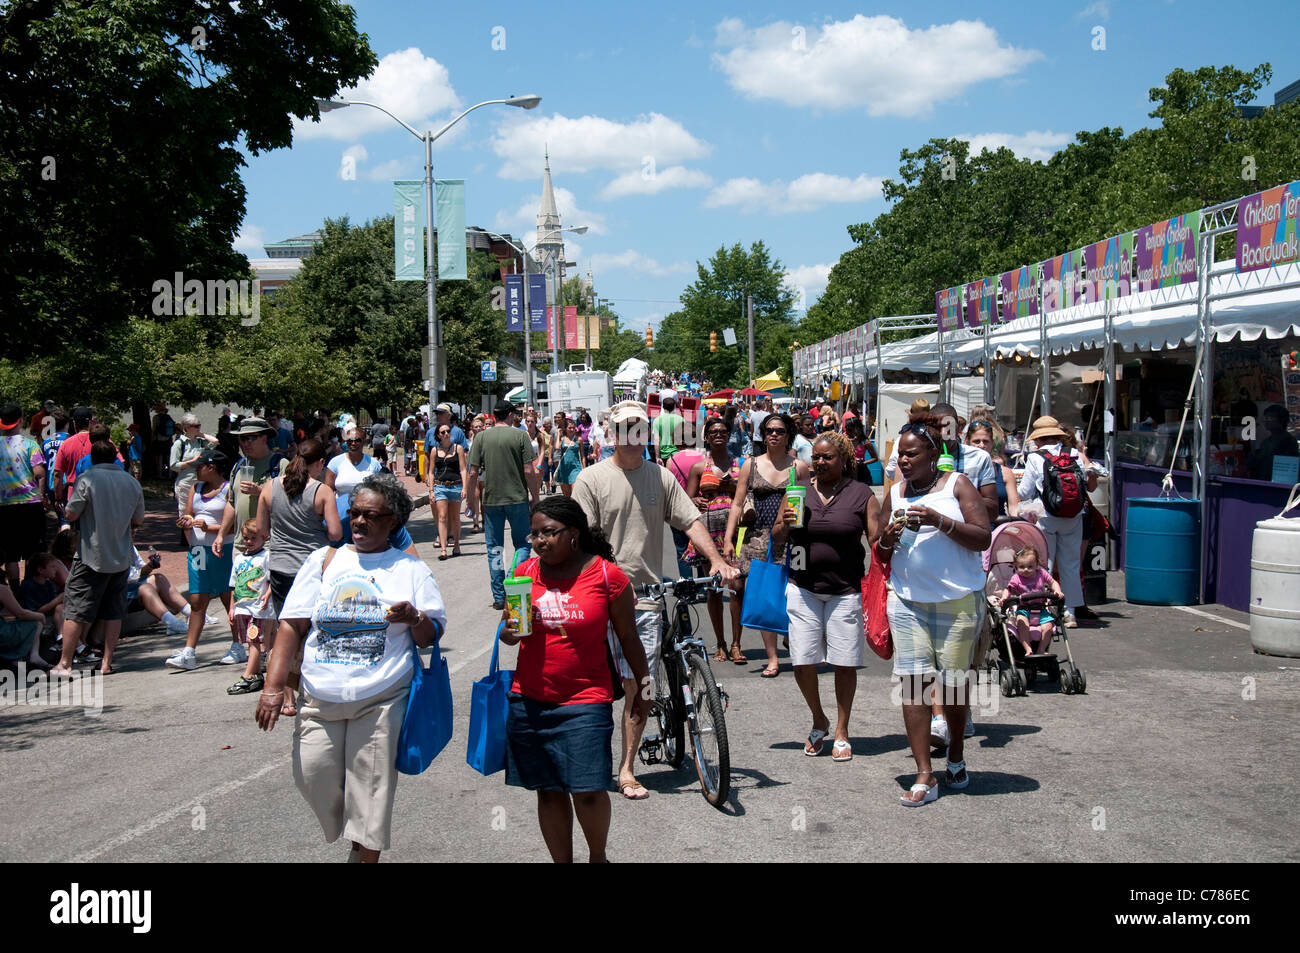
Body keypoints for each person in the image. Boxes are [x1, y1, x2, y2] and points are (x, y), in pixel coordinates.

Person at [256, 473, 446, 863]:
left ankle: (363, 849)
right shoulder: (324, 560)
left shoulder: (409, 569)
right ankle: (355, 829)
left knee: (371, 793)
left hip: (380, 699)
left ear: (392, 521)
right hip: (319, 699)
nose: (358, 522)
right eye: (355, 513)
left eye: (370, 516)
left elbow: (431, 634)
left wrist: (413, 618)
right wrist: (273, 686)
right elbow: (292, 624)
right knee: (313, 775)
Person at [571, 400, 738, 801]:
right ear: (612, 432)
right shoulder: (590, 480)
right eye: (626, 426)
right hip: (597, 598)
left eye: (640, 427)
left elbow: (690, 520)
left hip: (644, 601)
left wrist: (716, 560)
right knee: (592, 688)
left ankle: (626, 767)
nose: (633, 433)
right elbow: (578, 540)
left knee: (639, 687)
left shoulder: (660, 478)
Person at [499, 496, 651, 863]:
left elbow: (629, 637)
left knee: (588, 790)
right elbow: (507, 634)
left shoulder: (606, 576)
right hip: (530, 698)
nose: (539, 541)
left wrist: (644, 689)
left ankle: (597, 856)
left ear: (574, 534)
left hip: (586, 699)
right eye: (534, 534)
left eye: (549, 533)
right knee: (548, 791)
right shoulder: (523, 574)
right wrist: (511, 631)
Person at [877, 413, 991, 806]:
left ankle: (956, 755)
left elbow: (982, 538)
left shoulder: (957, 485)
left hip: (957, 602)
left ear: (932, 454)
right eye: (900, 455)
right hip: (907, 601)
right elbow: (879, 550)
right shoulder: (895, 493)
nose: (904, 461)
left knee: (954, 687)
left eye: (911, 454)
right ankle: (924, 771)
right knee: (913, 686)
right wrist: (887, 538)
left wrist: (940, 520)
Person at [771, 433, 880, 760]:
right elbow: (776, 537)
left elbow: (875, 539)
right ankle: (819, 717)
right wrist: (786, 525)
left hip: (845, 589)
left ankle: (842, 730)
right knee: (803, 660)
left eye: (827, 457)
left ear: (844, 460)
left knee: (844, 662)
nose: (819, 462)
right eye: (815, 457)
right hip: (803, 587)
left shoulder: (861, 494)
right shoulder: (798, 491)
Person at [48, 436, 146, 678]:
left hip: (90, 554)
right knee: (114, 611)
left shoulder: (87, 479)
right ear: (115, 457)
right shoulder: (131, 482)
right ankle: (106, 662)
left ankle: (65, 663)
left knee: (75, 608)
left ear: (92, 458)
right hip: (120, 555)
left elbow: (71, 514)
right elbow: (139, 519)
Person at [723, 412, 811, 678]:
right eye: (769, 430)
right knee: (763, 593)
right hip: (757, 537)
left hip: (793, 538)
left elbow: (808, 506)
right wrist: (728, 539)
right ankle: (772, 658)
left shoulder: (799, 467)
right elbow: (737, 503)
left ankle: (791, 638)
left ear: (788, 435)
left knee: (794, 593)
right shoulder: (751, 464)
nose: (774, 434)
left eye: (780, 430)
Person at [1017, 416, 1098, 629]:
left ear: (1039, 439)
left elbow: (1024, 492)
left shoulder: (1035, 457)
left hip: (1047, 517)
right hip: (1074, 515)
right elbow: (1085, 485)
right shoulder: (1074, 454)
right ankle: (1070, 612)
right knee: (1071, 564)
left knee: (1046, 563)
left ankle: (1045, 609)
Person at [466, 401, 539, 611]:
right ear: (508, 415)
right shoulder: (520, 436)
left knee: (495, 548)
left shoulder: (481, 437)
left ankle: (499, 595)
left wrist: (470, 500)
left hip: (491, 500)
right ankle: (513, 576)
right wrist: (535, 497)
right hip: (517, 498)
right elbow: (528, 470)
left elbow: (473, 473)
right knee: (524, 544)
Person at [685, 417, 746, 663]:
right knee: (713, 588)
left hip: (736, 529)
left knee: (737, 587)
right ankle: (719, 643)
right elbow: (686, 498)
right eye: (713, 431)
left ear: (729, 434)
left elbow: (749, 493)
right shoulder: (699, 468)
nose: (718, 434)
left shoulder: (742, 464)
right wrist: (695, 500)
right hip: (709, 530)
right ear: (707, 436)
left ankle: (736, 644)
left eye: (722, 430)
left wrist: (733, 487)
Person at [168, 450, 235, 671]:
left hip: (222, 550)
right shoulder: (195, 488)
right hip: (198, 551)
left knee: (228, 598)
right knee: (197, 601)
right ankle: (189, 653)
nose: (196, 470)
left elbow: (232, 525)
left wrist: (210, 528)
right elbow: (189, 513)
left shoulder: (228, 490)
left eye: (200, 466)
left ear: (212, 468)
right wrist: (186, 521)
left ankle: (238, 645)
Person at [884, 402, 999, 523]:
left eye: (949, 427)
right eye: (937, 428)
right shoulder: (918, 459)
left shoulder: (979, 458)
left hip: (966, 535)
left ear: (958, 428)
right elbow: (899, 503)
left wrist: (955, 490)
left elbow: (992, 511)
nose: (944, 433)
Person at [0, 403, 48, 588]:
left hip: (4, 505)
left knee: (10, 553)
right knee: (32, 551)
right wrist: (42, 497)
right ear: (20, 421)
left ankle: (14, 590)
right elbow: (39, 473)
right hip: (30, 503)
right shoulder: (30, 444)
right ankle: (30, 586)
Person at [226, 518, 275, 695]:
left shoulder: (266, 556)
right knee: (248, 641)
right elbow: (234, 585)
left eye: (253, 538)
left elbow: (271, 580)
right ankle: (255, 674)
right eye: (246, 538)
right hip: (242, 607)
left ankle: (247, 675)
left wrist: (267, 596)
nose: (249, 542)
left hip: (258, 608)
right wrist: (232, 608)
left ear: (263, 537)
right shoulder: (239, 559)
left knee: (255, 640)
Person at [997, 544, 1064, 657]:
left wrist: (1057, 591)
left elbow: (1052, 582)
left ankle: (1041, 649)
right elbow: (1008, 589)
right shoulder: (1016, 578)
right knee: (1022, 625)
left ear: (1037, 565)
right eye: (1021, 567)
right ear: (1016, 566)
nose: (1026, 570)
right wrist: (1004, 597)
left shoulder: (1041, 574)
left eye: (1030, 566)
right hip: (1024, 610)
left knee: (1049, 627)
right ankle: (1028, 648)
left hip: (1041, 609)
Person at [324, 424, 383, 544]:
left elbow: (380, 492)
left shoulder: (374, 464)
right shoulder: (335, 463)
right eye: (350, 440)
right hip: (341, 516)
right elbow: (327, 491)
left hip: (366, 518)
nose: (353, 443)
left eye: (357, 440)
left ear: (364, 442)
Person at [426, 422, 467, 560]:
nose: (446, 434)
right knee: (442, 517)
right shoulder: (434, 451)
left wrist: (465, 487)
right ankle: (443, 549)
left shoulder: (458, 448)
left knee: (455, 517)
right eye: (443, 432)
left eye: (448, 431)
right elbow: (431, 472)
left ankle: (456, 545)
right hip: (440, 486)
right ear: (438, 435)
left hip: (455, 486)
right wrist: (431, 490)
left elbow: (463, 469)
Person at [966, 419, 1019, 518]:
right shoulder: (959, 471)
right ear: (967, 442)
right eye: (976, 441)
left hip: (997, 528)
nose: (981, 445)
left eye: (986, 441)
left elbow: (1014, 508)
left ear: (992, 443)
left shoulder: (1006, 473)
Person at [170, 413, 217, 519]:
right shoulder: (179, 444)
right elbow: (173, 465)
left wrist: (201, 434)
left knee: (198, 512)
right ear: (187, 427)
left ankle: (195, 535)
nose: (198, 428)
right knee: (185, 514)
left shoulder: (199, 442)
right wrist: (192, 461)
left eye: (199, 425)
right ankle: (185, 535)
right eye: (196, 426)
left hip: (200, 482)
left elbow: (215, 441)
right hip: (186, 483)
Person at [1, 578, 49, 671]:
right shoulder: (2, 589)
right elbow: (20, 613)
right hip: (2, 634)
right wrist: (40, 616)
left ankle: (16, 659)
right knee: (36, 623)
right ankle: (34, 656)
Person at [1246, 404, 1299, 481]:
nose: (1266, 420)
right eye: (1266, 418)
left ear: (1281, 420)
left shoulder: (1289, 442)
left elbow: (1286, 470)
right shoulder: (1266, 442)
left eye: (1270, 418)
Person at [651, 390, 685, 464]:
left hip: (664, 455)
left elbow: (656, 440)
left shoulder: (657, 420)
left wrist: (657, 457)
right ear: (674, 407)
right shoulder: (681, 419)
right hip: (678, 454)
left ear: (662, 406)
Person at [552, 419, 584, 497]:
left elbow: (583, 456)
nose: (572, 429)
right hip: (564, 469)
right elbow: (557, 447)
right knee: (566, 495)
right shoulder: (562, 439)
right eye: (569, 428)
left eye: (573, 428)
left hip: (575, 468)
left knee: (575, 494)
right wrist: (558, 434)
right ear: (565, 428)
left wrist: (584, 469)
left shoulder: (578, 439)